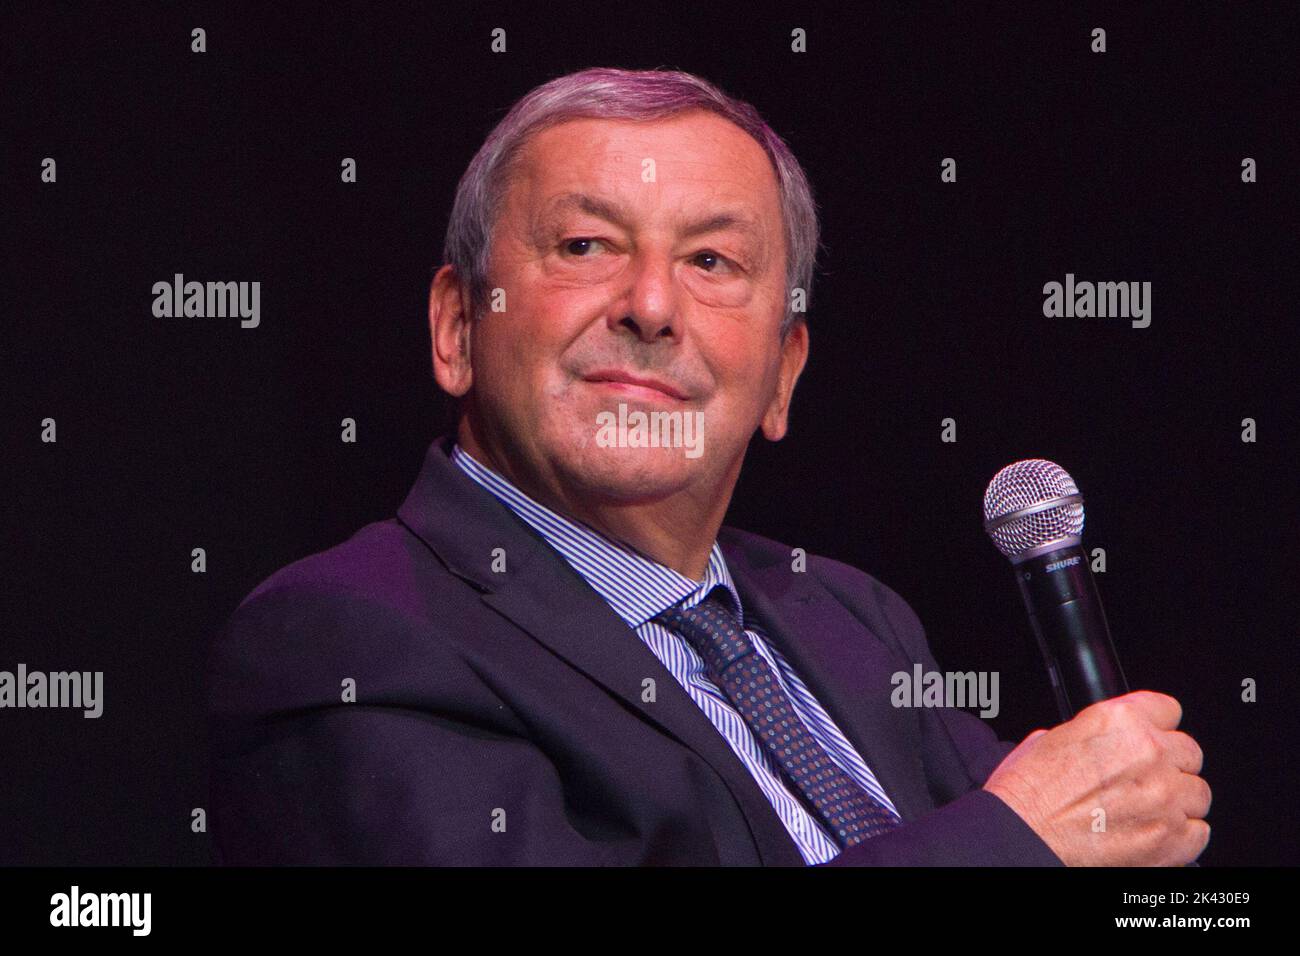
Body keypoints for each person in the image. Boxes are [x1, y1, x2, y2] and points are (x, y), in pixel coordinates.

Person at [207, 67, 1210, 866]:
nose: (649, 304)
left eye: (711, 263)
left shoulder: (848, 614)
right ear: (458, 325)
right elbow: (1020, 832)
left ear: (781, 373)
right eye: (586, 243)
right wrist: (1013, 838)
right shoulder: (348, 632)